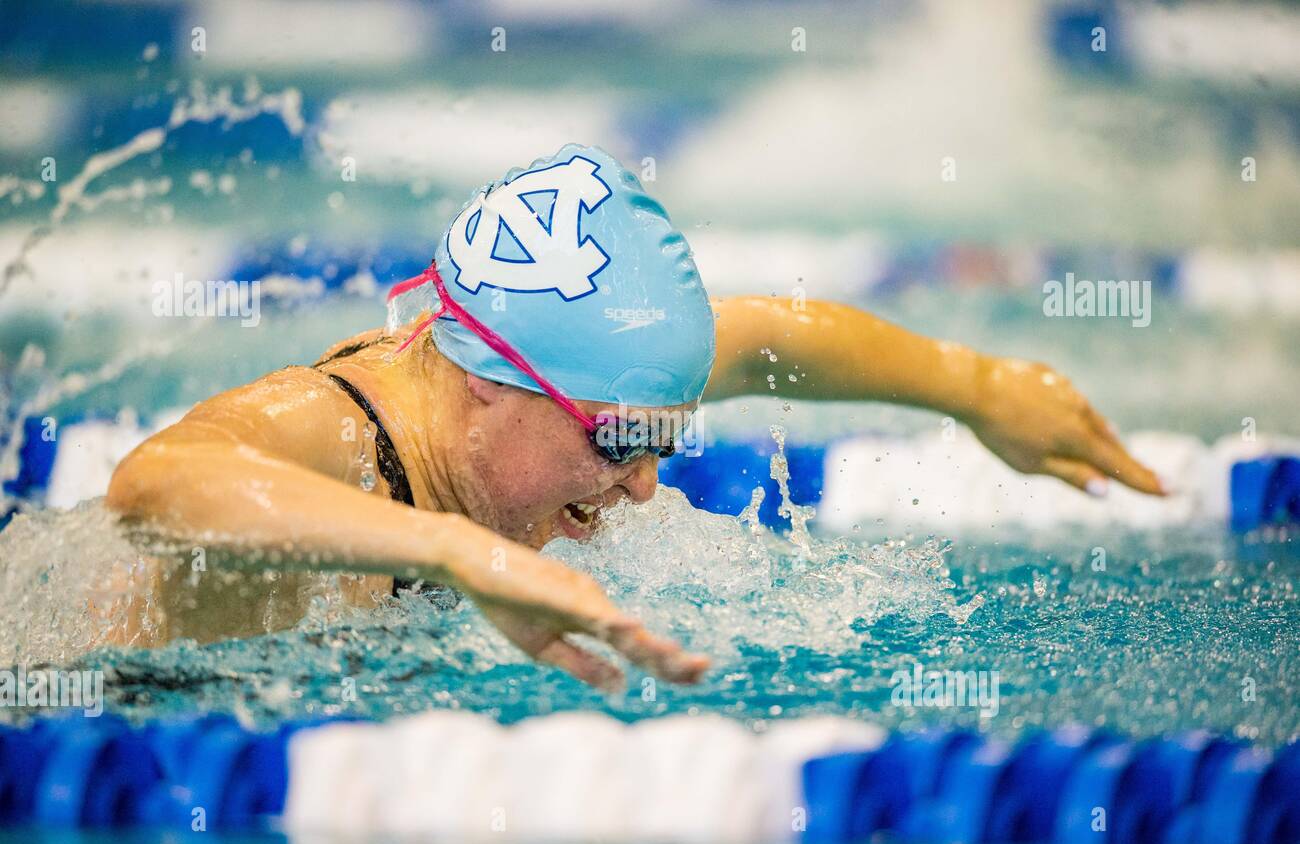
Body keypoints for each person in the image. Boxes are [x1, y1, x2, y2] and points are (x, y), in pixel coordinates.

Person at [105, 144, 1164, 690]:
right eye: (619, 439)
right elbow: (151, 486)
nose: (645, 481)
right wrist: (459, 555)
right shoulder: (333, 431)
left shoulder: (537, 377)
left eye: (666, 439)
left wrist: (976, 387)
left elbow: (770, 335)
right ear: (491, 377)